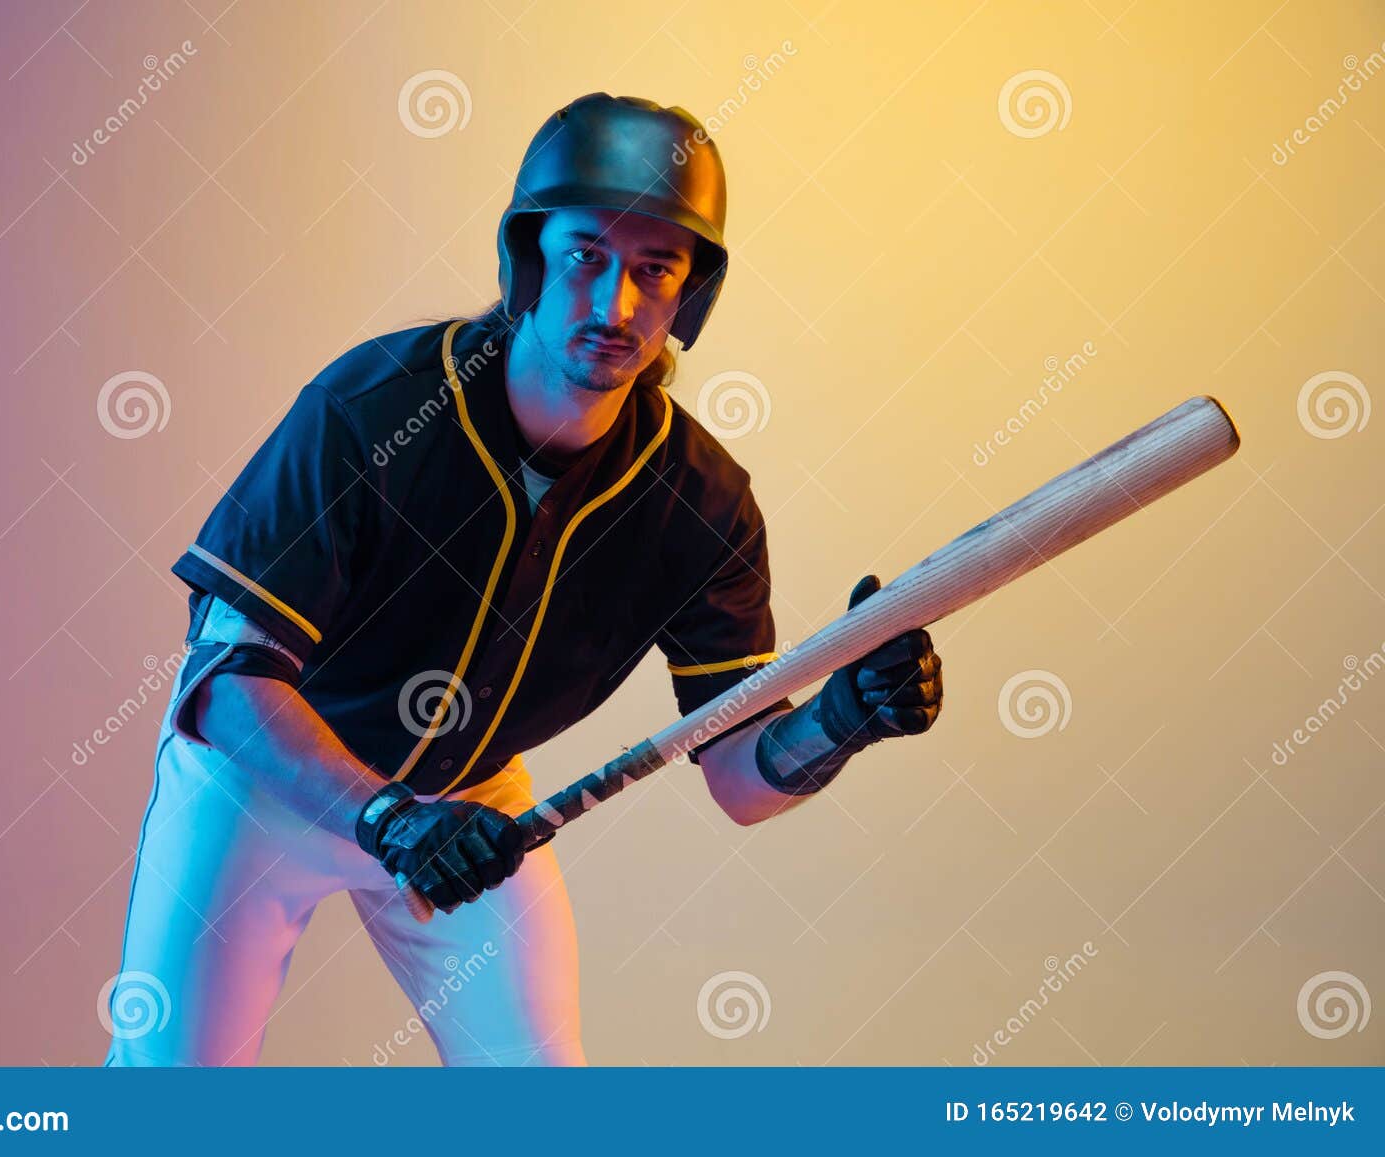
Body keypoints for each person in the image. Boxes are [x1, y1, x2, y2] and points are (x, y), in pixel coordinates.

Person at [102, 92, 942, 1067]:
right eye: (587, 256)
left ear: (690, 293)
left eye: (654, 268)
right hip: (272, 783)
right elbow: (228, 679)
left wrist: (843, 718)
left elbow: (740, 776)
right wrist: (386, 816)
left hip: (470, 800)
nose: (615, 304)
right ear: (529, 257)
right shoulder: (371, 409)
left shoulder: (701, 504)